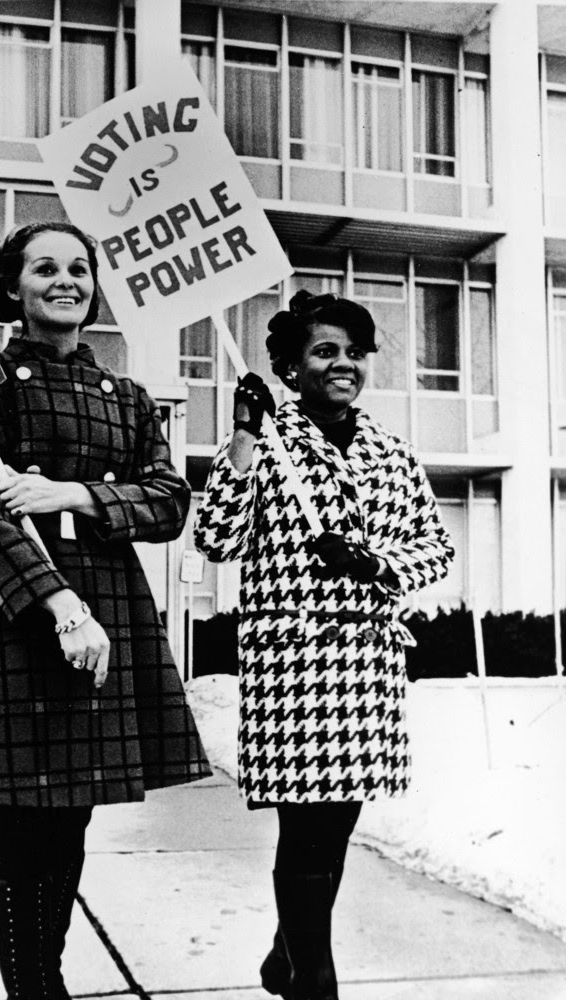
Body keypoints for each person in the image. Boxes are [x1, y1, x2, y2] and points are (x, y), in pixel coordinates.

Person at [0, 220, 211, 999]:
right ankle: (33, 990)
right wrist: (59, 606)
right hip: (22, 617)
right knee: (29, 818)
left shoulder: (127, 398)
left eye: (80, 269)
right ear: (11, 288)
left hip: (112, 608)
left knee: (73, 812)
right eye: (46, 268)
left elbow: (168, 502)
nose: (67, 281)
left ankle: (46, 980)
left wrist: (71, 494)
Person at [193, 290, 453, 1000]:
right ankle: (313, 978)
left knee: (336, 827)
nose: (344, 364)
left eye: (355, 352)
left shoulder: (392, 453)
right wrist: (244, 438)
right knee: (306, 828)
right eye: (325, 351)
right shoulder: (266, 446)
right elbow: (216, 538)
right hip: (294, 668)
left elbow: (435, 547)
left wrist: (373, 563)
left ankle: (287, 953)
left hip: (367, 666)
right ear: (289, 368)